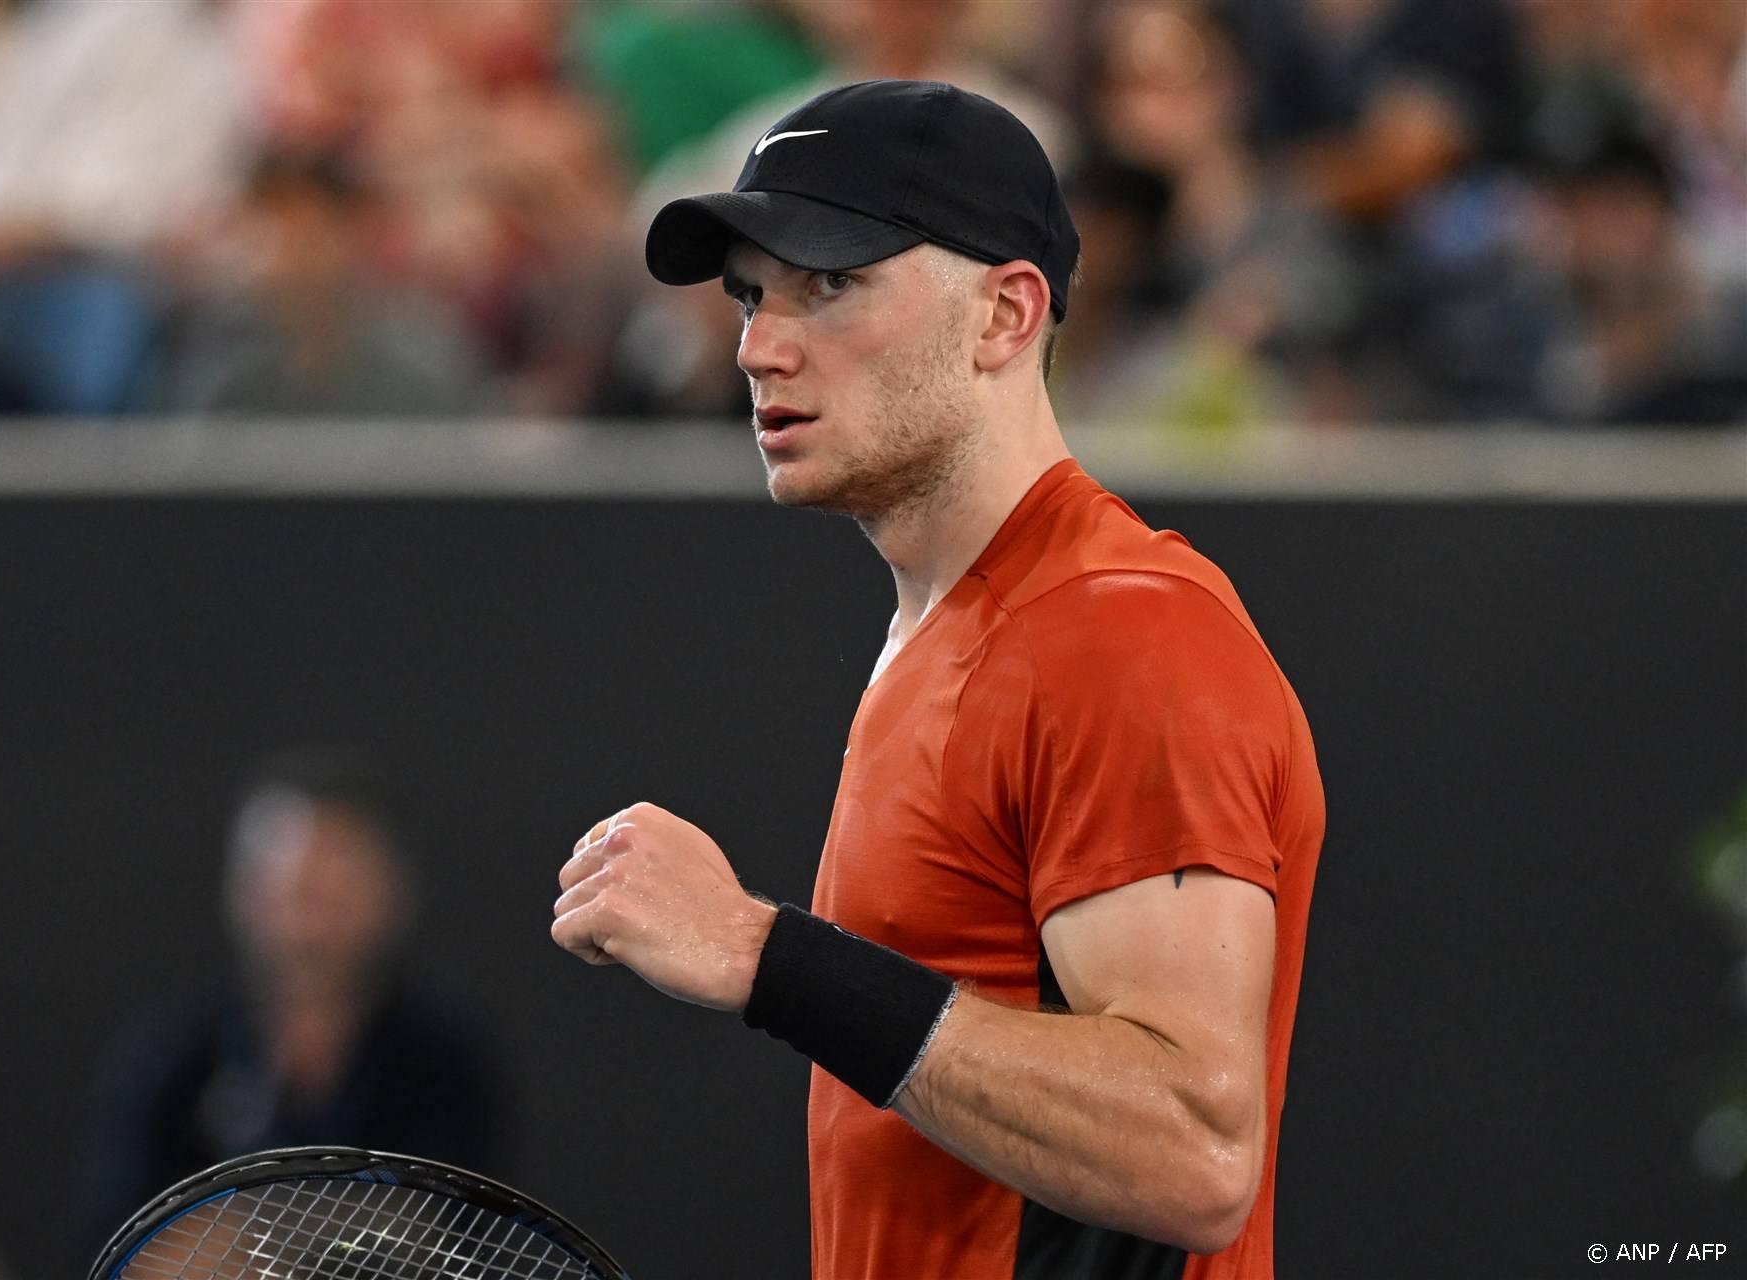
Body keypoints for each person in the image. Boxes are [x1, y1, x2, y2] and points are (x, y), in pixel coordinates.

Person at [551, 80, 1325, 1279]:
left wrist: (761, 950)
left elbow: (1194, 1147)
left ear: (1005, 315)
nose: (759, 345)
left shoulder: (1119, 631)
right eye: (752, 293)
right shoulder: (950, 630)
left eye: (830, 283)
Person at [84, 750, 504, 1252]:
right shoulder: (169, 1059)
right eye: (291, 885)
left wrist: (241, 1241)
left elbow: (464, 1241)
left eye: (336, 885)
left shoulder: (449, 1066)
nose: (309, 918)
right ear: (242, 892)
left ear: (392, 893)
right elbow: (120, 1243)